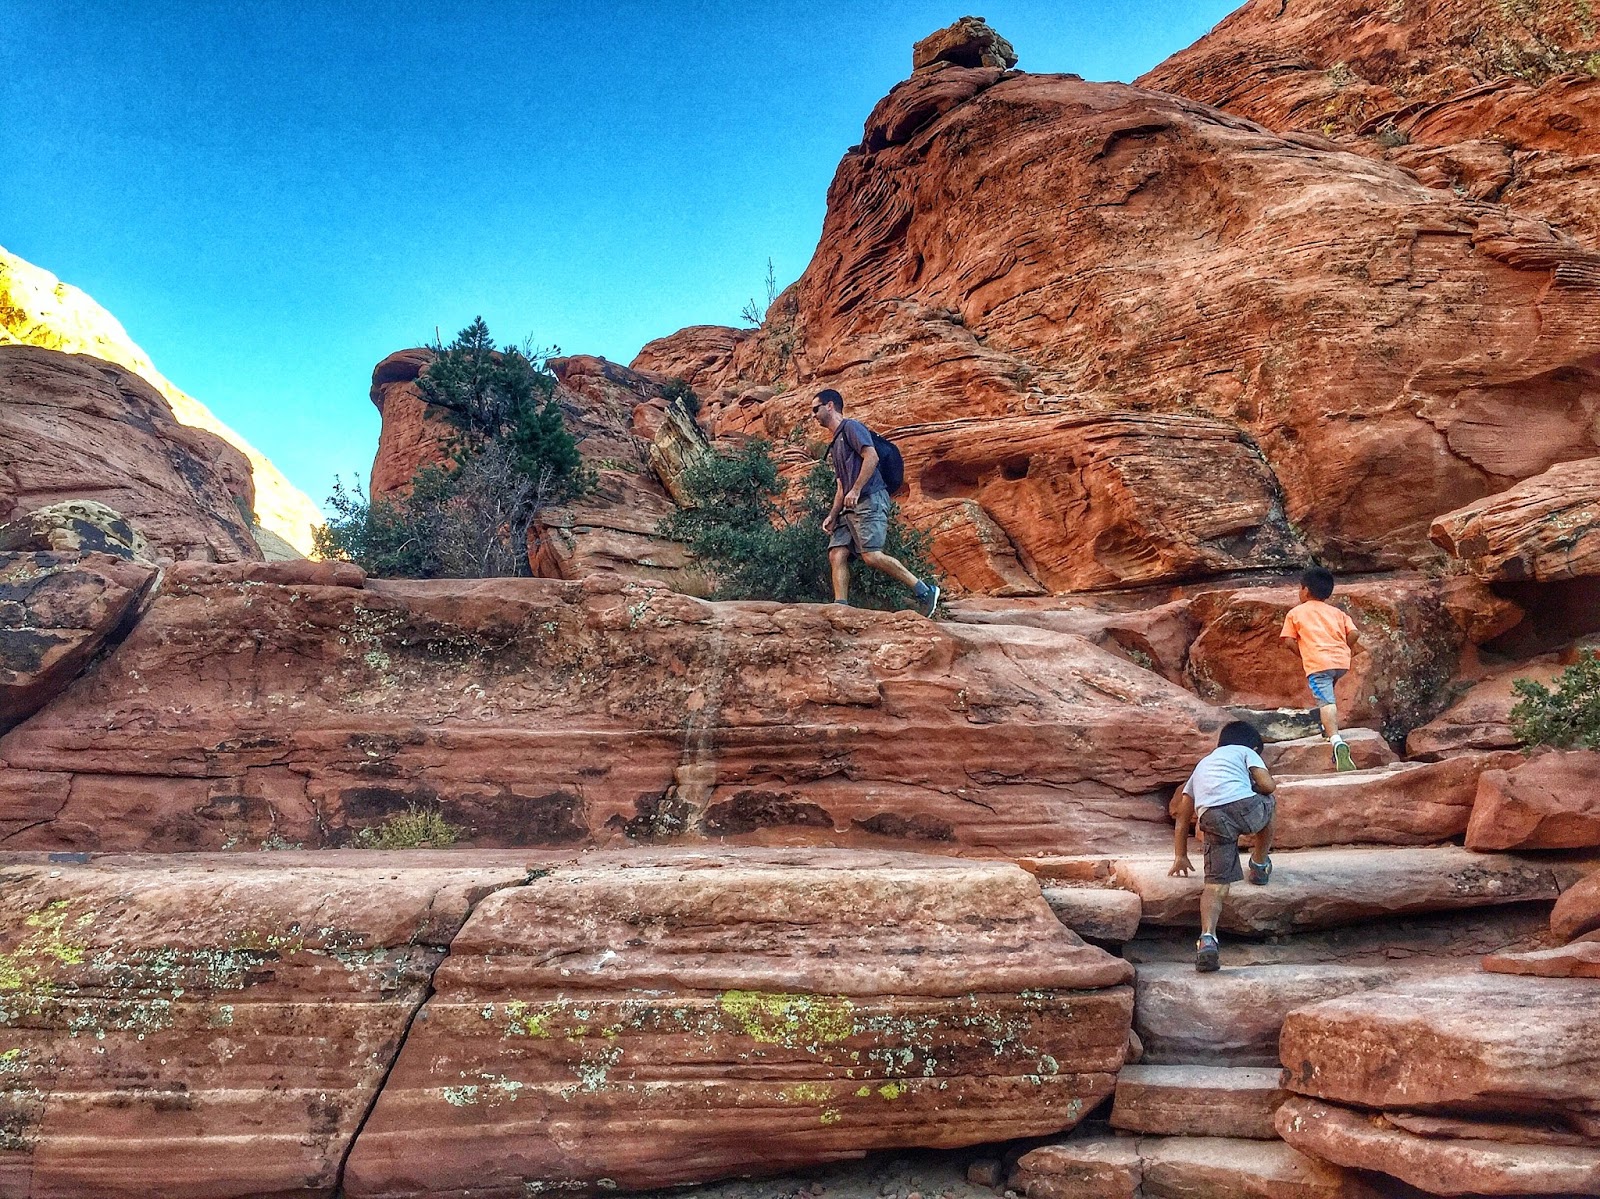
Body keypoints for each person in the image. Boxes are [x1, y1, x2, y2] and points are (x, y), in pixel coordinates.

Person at [812, 388, 939, 616]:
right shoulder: (835, 443)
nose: (813, 414)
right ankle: (841, 606)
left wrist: (857, 489)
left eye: (816, 409)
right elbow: (841, 487)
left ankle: (925, 590)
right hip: (849, 507)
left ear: (830, 405)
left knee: (871, 555)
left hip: (870, 497)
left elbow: (872, 456)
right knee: (837, 553)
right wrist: (832, 514)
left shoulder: (852, 427)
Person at [1169, 720, 1277, 973]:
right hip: (1246, 808)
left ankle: (1207, 938)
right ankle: (1260, 864)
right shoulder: (1245, 751)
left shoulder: (1201, 766)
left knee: (1215, 885)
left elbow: (1183, 817)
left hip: (1212, 817)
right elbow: (1268, 785)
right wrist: (1253, 785)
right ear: (1253, 746)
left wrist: (1180, 855)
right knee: (1269, 801)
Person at [1280, 566, 1361, 771]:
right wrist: (1344, 648)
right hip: (1340, 662)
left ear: (1305, 590)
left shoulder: (1296, 613)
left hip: (1318, 663)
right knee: (1328, 691)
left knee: (1325, 701)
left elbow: (1288, 640)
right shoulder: (1337, 612)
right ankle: (1327, 729)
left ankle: (1336, 741)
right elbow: (1355, 634)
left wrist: (1304, 654)